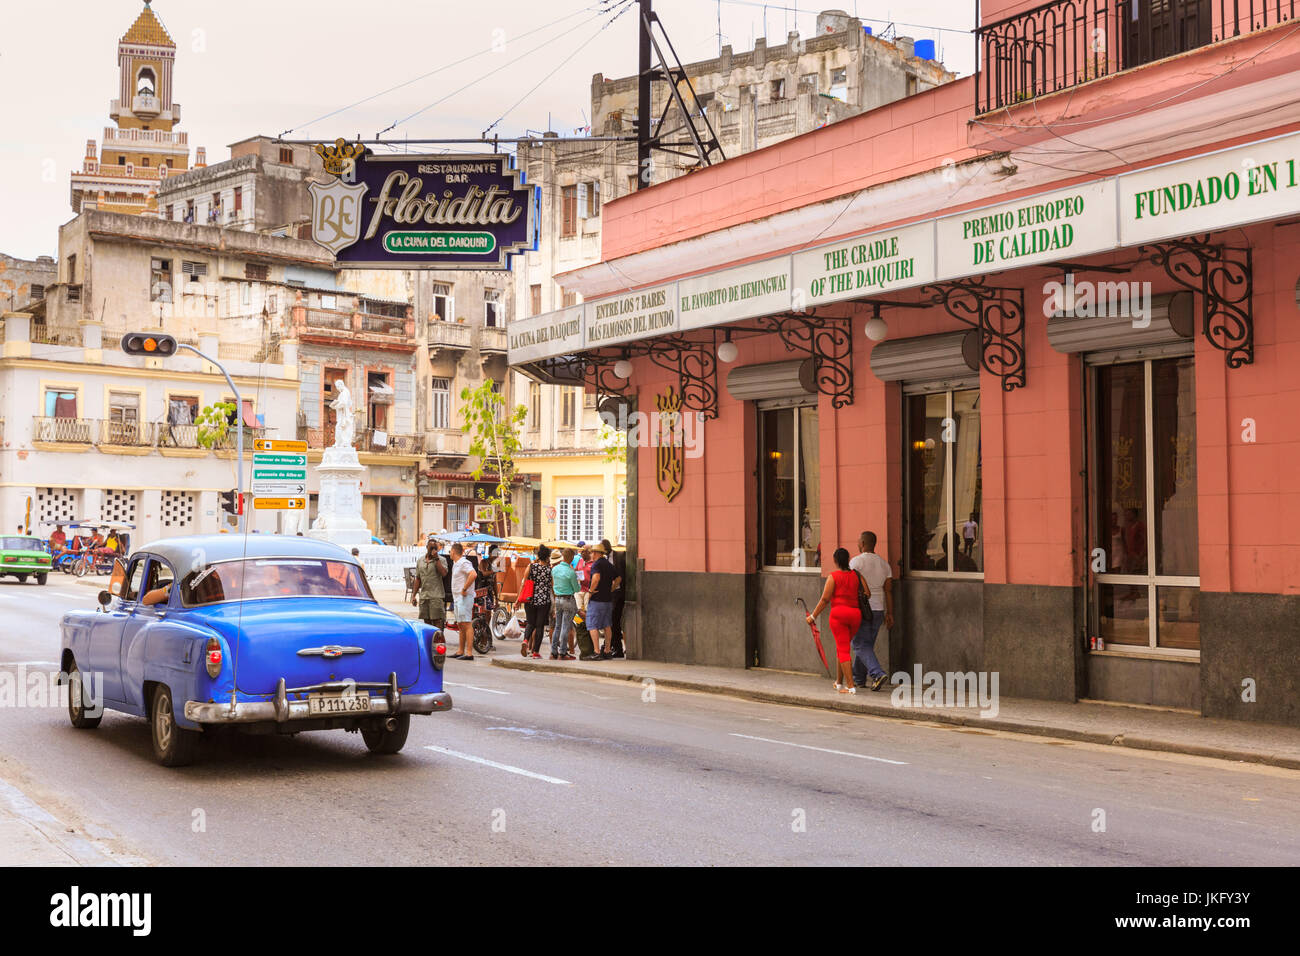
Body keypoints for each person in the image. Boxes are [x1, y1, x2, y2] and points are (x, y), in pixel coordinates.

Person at [806, 547, 866, 694]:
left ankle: (851, 687)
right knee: (842, 647)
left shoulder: (833, 576)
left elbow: (825, 599)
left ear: (835, 561)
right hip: (855, 615)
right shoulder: (857, 575)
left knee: (843, 650)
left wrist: (812, 616)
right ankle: (839, 682)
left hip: (839, 616)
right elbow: (867, 593)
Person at [849, 531, 894, 691]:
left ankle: (877, 673)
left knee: (859, 645)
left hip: (861, 609)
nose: (857, 544)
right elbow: (888, 591)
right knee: (866, 645)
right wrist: (890, 613)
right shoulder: (884, 564)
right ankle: (859, 678)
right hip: (878, 610)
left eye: (858, 541)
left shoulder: (856, 562)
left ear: (862, 543)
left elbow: (850, 585)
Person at [584, 541, 621, 660]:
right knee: (607, 625)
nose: (590, 555)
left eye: (591, 553)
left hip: (597, 600)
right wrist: (611, 588)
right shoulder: (609, 564)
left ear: (595, 553)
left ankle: (596, 651)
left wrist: (590, 591)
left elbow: (596, 577)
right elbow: (619, 578)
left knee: (592, 624)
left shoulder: (596, 565)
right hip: (608, 600)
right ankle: (607, 650)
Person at [521, 544, 554, 659]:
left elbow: (523, 583)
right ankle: (535, 652)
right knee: (539, 626)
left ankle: (525, 640)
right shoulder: (550, 570)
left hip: (530, 600)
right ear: (548, 557)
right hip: (544, 601)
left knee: (530, 623)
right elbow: (553, 587)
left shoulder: (531, 566)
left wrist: (518, 599)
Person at [449, 543, 476, 660]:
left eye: (450, 551)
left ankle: (469, 652)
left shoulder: (464, 562)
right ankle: (460, 650)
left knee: (466, 623)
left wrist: (465, 588)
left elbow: (473, 574)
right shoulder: (456, 564)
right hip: (457, 598)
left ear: (454, 552)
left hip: (464, 597)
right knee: (460, 624)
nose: (449, 553)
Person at [413, 537, 447, 631]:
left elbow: (444, 573)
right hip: (424, 596)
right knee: (427, 622)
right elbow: (418, 579)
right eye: (431, 547)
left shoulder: (441, 560)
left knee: (437, 622)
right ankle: (429, 641)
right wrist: (413, 595)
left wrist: (436, 559)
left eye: (434, 547)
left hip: (436, 596)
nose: (432, 549)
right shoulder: (420, 560)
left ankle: (438, 641)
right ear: (427, 547)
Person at [551, 547, 579, 660]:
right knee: (565, 626)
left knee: (557, 626)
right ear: (571, 558)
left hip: (557, 599)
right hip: (568, 600)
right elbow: (576, 589)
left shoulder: (555, 569)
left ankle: (553, 651)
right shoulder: (571, 572)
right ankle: (562, 652)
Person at [607, 542, 627, 659]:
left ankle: (618, 648)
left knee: (615, 621)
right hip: (613, 595)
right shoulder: (606, 559)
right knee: (613, 622)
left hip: (618, 594)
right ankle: (615, 647)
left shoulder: (617, 556)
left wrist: (612, 589)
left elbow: (619, 577)